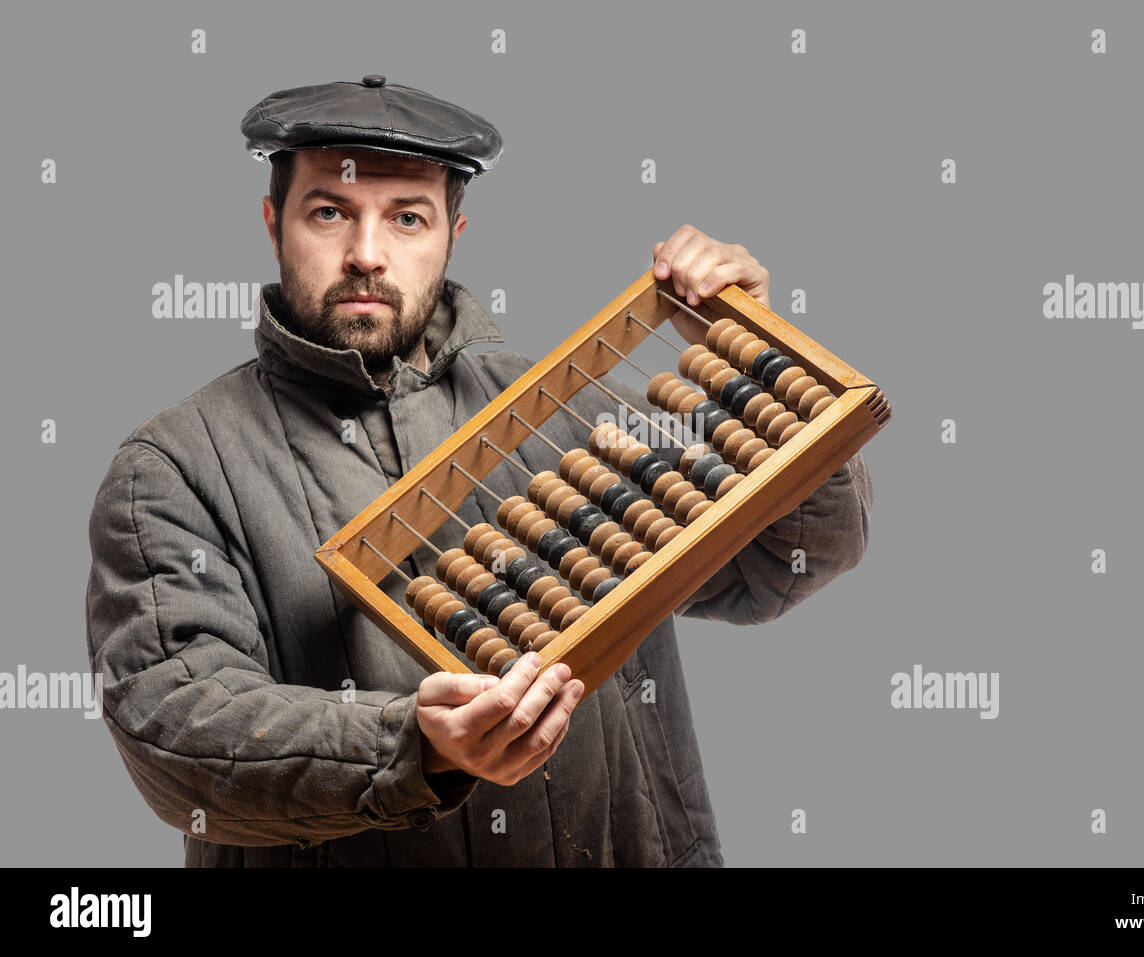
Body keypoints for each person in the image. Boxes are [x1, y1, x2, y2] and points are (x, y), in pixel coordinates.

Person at [84, 76, 873, 867]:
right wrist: (411, 748)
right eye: (329, 211)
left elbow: (781, 567)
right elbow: (176, 727)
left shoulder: (572, 416)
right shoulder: (176, 468)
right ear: (272, 223)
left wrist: (761, 363)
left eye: (407, 218)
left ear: (453, 232)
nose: (366, 252)